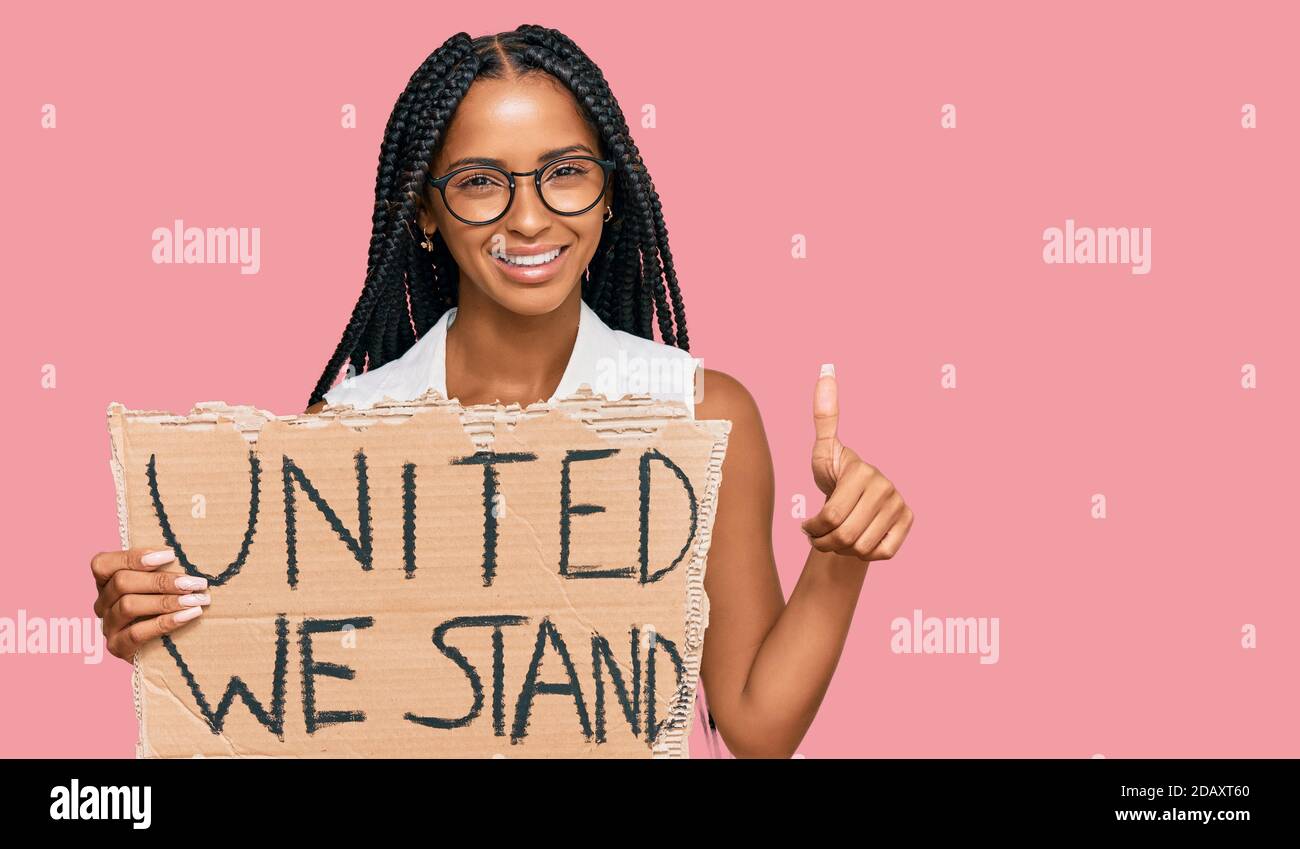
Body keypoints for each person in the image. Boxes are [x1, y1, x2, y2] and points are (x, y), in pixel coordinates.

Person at [89, 25, 915, 758]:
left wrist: (838, 562)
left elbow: (756, 731)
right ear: (424, 209)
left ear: (611, 189)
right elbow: (301, 716)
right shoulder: (346, 433)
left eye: (564, 172)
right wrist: (170, 639)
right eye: (483, 181)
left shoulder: (699, 414)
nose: (528, 218)